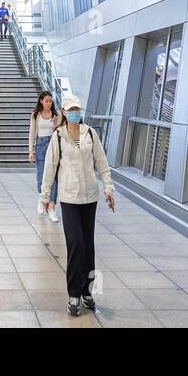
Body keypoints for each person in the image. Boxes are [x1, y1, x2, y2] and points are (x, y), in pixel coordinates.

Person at [40, 94, 114, 316]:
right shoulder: (59, 137)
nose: (75, 112)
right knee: (75, 243)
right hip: (69, 198)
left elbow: (102, 162)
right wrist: (45, 195)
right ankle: (73, 293)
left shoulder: (90, 133)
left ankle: (86, 291)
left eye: (77, 109)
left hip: (90, 197)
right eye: (71, 109)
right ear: (63, 111)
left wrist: (108, 188)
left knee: (88, 246)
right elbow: (50, 167)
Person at [28, 90, 62, 223]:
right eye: (47, 100)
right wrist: (30, 151)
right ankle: (42, 198)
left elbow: (60, 132)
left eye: (51, 100)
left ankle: (51, 209)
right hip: (41, 146)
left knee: (53, 179)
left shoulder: (56, 114)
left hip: (53, 145)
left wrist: (55, 125)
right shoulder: (35, 115)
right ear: (41, 101)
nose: (49, 103)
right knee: (41, 178)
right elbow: (32, 133)